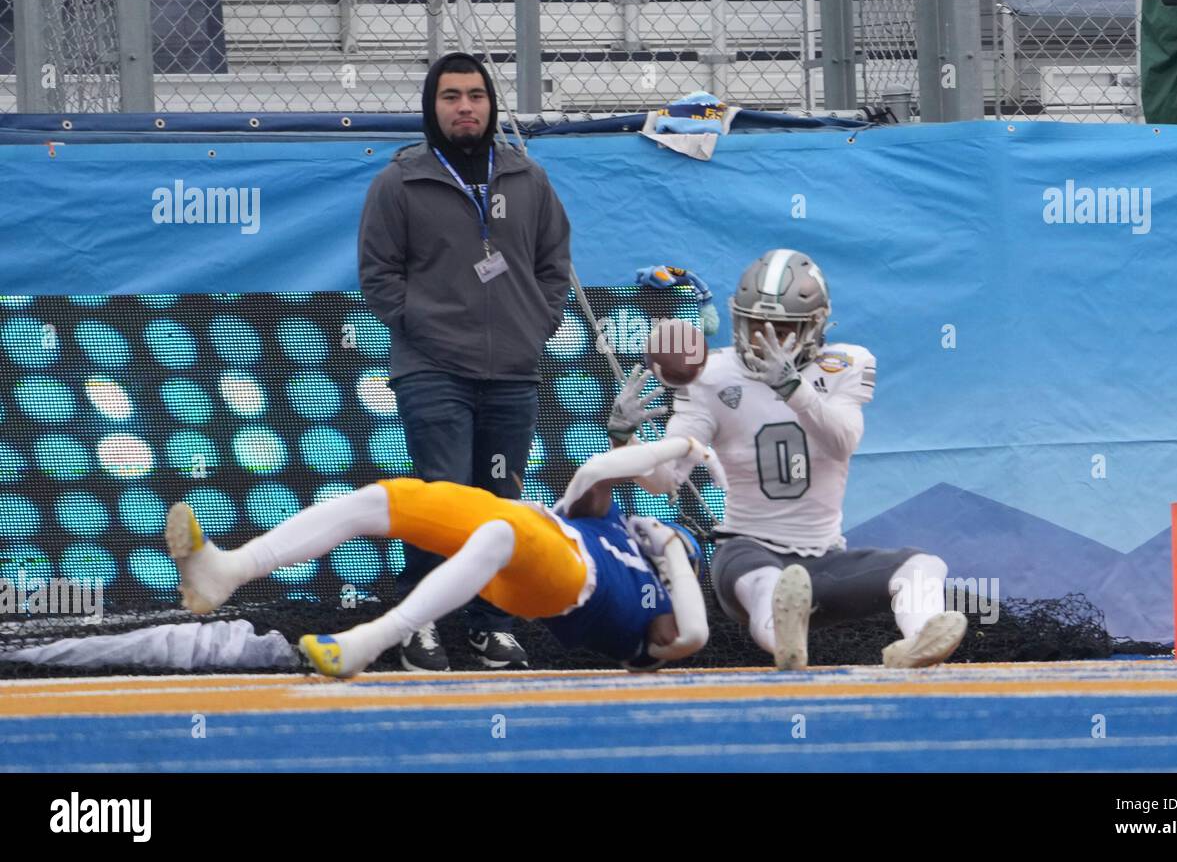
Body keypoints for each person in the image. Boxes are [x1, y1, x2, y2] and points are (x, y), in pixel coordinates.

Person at [607, 248, 968, 670]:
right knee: (771, 586)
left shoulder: (845, 365)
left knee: (925, 565)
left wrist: (794, 390)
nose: (766, 339)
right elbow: (665, 480)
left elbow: (842, 441)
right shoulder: (712, 375)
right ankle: (785, 642)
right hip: (744, 551)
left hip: (824, 558)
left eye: (781, 328)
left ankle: (920, 643)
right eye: (755, 324)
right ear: (738, 320)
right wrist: (624, 440)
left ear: (814, 326)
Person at [163, 437, 723, 677]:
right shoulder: (609, 525)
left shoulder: (651, 612)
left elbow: (691, 636)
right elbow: (597, 470)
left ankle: (371, 640)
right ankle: (227, 570)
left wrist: (674, 553)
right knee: (385, 500)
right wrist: (678, 452)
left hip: (566, 581)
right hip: (534, 527)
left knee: (504, 532)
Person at [358, 51, 572, 670]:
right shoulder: (400, 182)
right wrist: (430, 333)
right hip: (433, 372)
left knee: (500, 502)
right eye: (450, 97)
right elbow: (378, 275)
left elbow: (554, 265)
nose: (464, 108)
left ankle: (490, 625)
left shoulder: (527, 180)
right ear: (433, 106)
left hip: (511, 373)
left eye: (475, 95)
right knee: (441, 500)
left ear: (490, 103)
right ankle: (418, 623)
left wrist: (533, 326)